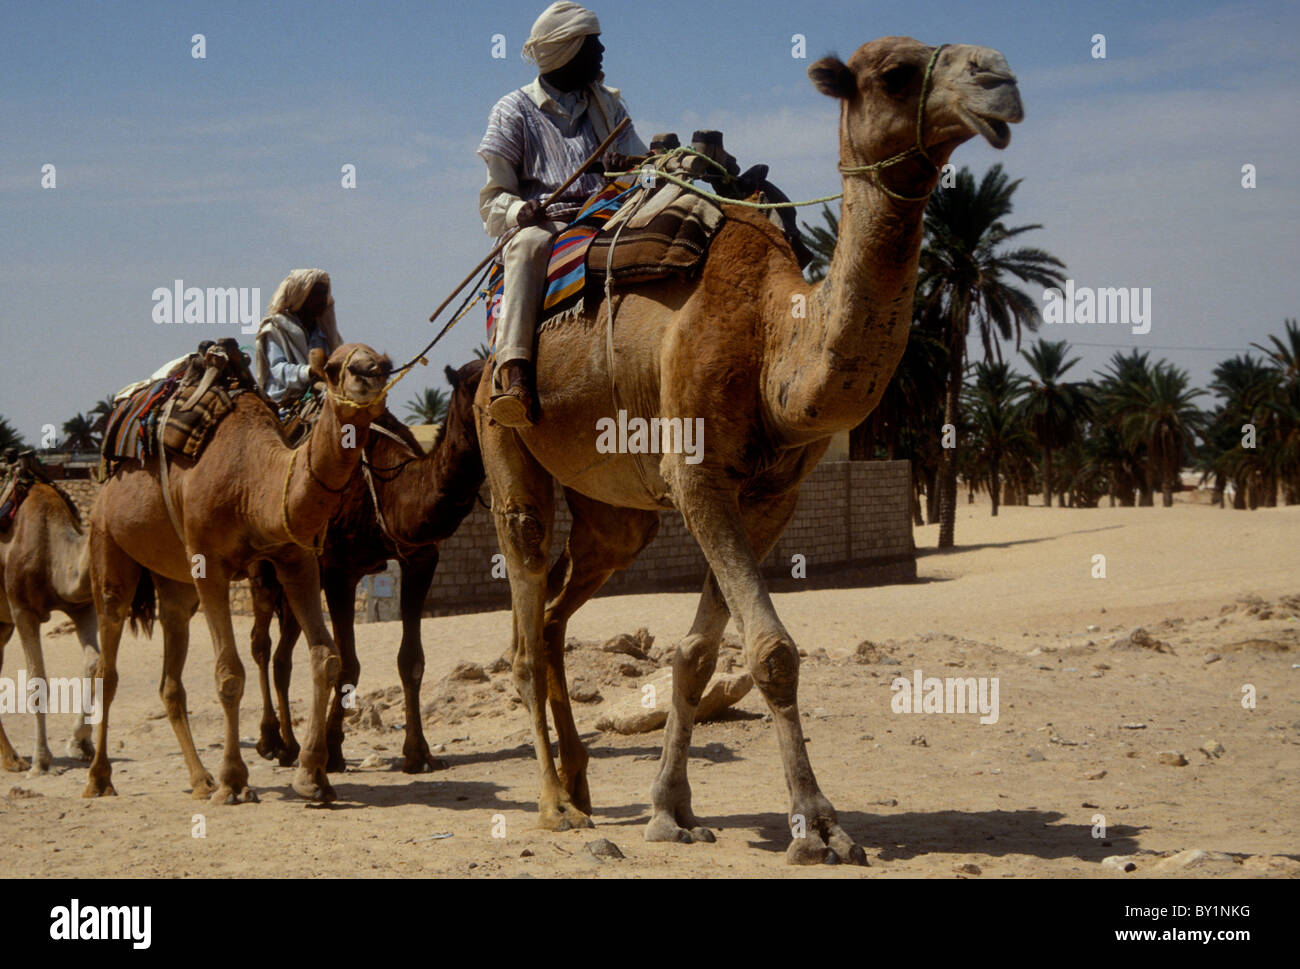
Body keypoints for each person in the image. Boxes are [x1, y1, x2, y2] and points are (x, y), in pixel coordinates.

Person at [478, 1, 646, 427]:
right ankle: (514, 371)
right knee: (527, 248)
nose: (603, 52)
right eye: (594, 44)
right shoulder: (513, 111)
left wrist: (642, 167)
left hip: (609, 210)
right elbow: (492, 198)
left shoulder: (609, 108)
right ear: (569, 49)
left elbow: (639, 163)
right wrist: (520, 210)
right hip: (548, 223)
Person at [253, 269, 343, 405]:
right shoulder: (275, 328)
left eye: (324, 294)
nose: (323, 300)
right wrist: (309, 372)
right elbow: (277, 369)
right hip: (283, 402)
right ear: (301, 296)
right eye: (316, 294)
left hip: (320, 396)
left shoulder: (325, 333)